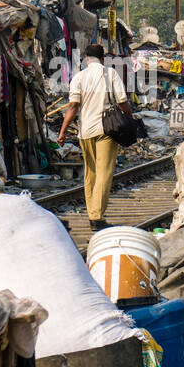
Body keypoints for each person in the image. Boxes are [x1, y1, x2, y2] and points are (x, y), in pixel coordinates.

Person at [58, 43, 133, 232]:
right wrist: (130, 118)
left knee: (90, 173)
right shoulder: (110, 74)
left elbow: (73, 107)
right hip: (106, 129)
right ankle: (96, 216)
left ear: (86, 58)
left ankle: (92, 212)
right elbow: (122, 101)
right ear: (103, 58)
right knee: (104, 172)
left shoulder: (79, 77)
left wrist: (63, 130)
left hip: (85, 131)